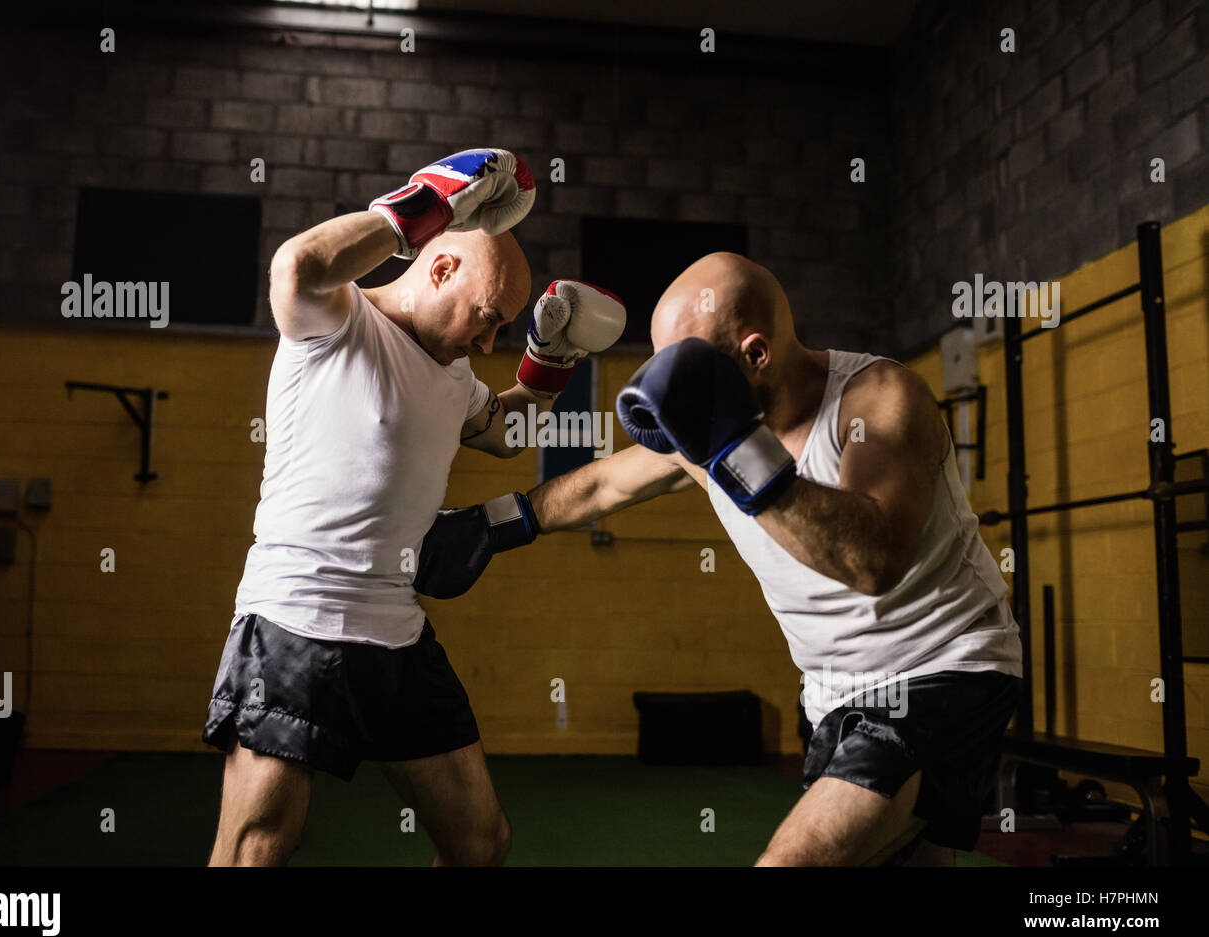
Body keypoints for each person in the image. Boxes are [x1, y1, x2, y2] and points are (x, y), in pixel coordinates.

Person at [417, 251, 1023, 866]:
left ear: (756, 354)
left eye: (686, 366)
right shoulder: (704, 432)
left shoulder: (880, 400)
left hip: (943, 669)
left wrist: (734, 448)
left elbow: (874, 562)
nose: (670, 386)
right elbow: (602, 485)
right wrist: (492, 526)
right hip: (832, 694)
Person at [203, 148, 625, 866]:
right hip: (296, 622)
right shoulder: (338, 320)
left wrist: (550, 360)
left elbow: (503, 433)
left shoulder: (454, 376)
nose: (488, 342)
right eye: (487, 320)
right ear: (440, 268)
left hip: (398, 634)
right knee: (258, 851)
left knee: (479, 843)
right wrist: (429, 203)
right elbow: (296, 266)